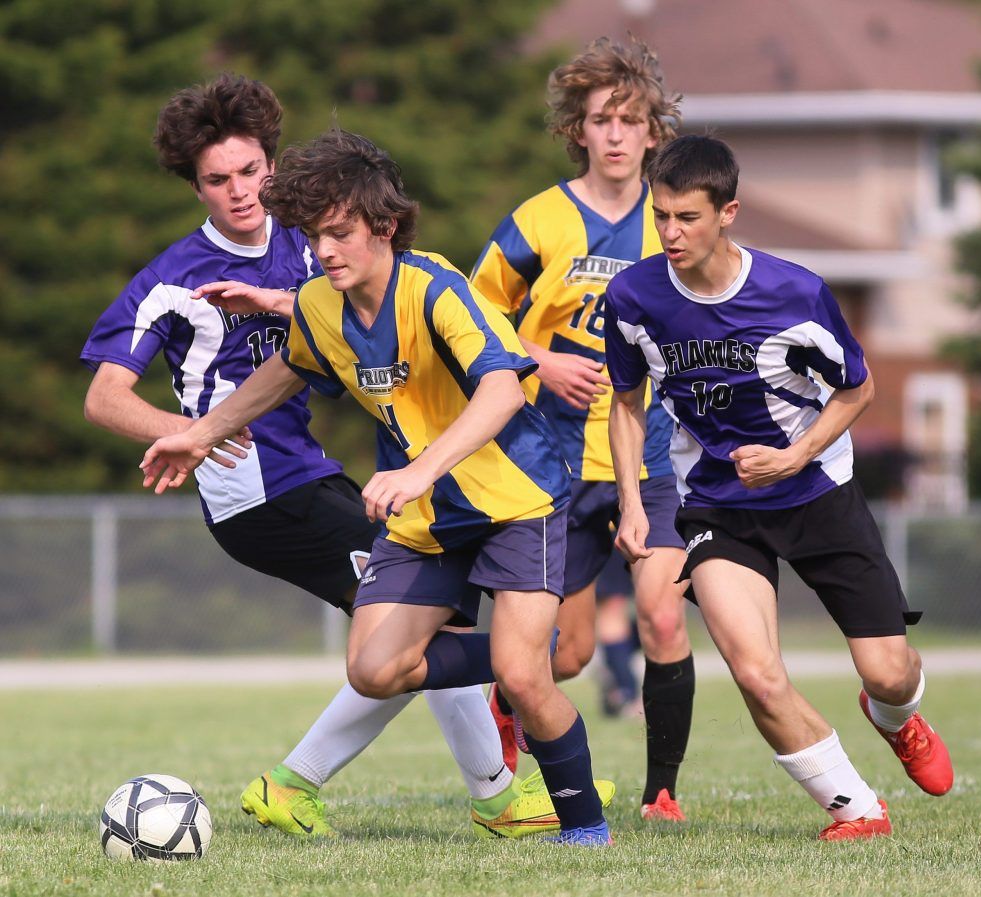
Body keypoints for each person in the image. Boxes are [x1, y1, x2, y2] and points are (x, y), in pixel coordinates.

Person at [81, 74, 594, 841]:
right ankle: (473, 780)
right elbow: (102, 397)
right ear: (196, 187)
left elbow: (354, 318)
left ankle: (516, 720)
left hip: (317, 471)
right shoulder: (173, 277)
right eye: (218, 180)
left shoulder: (313, 240)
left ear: (273, 168)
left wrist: (282, 303)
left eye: (251, 171)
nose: (240, 191)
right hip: (257, 490)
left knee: (423, 633)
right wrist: (192, 429)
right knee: (416, 632)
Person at [605, 134, 954, 841]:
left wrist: (796, 456)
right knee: (755, 670)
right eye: (661, 215)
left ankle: (895, 716)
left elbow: (858, 389)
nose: (670, 233)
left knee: (888, 671)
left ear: (728, 211)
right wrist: (634, 504)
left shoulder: (794, 292)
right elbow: (625, 401)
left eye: (688, 217)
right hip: (717, 508)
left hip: (818, 494)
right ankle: (857, 809)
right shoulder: (633, 296)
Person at [471, 36, 693, 822]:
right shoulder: (541, 219)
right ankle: (505, 701)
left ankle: (660, 789)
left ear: (653, 131)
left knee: (663, 614)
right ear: (580, 130)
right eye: (601, 119)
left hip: (647, 455)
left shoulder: (672, 222)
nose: (616, 134)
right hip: (550, 462)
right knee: (566, 654)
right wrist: (540, 363)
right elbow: (470, 316)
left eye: (631, 119)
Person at [593, 547, 643, 718]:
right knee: (611, 608)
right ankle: (627, 692)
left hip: (659, 528)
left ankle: (613, 664)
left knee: (662, 616)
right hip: (612, 530)